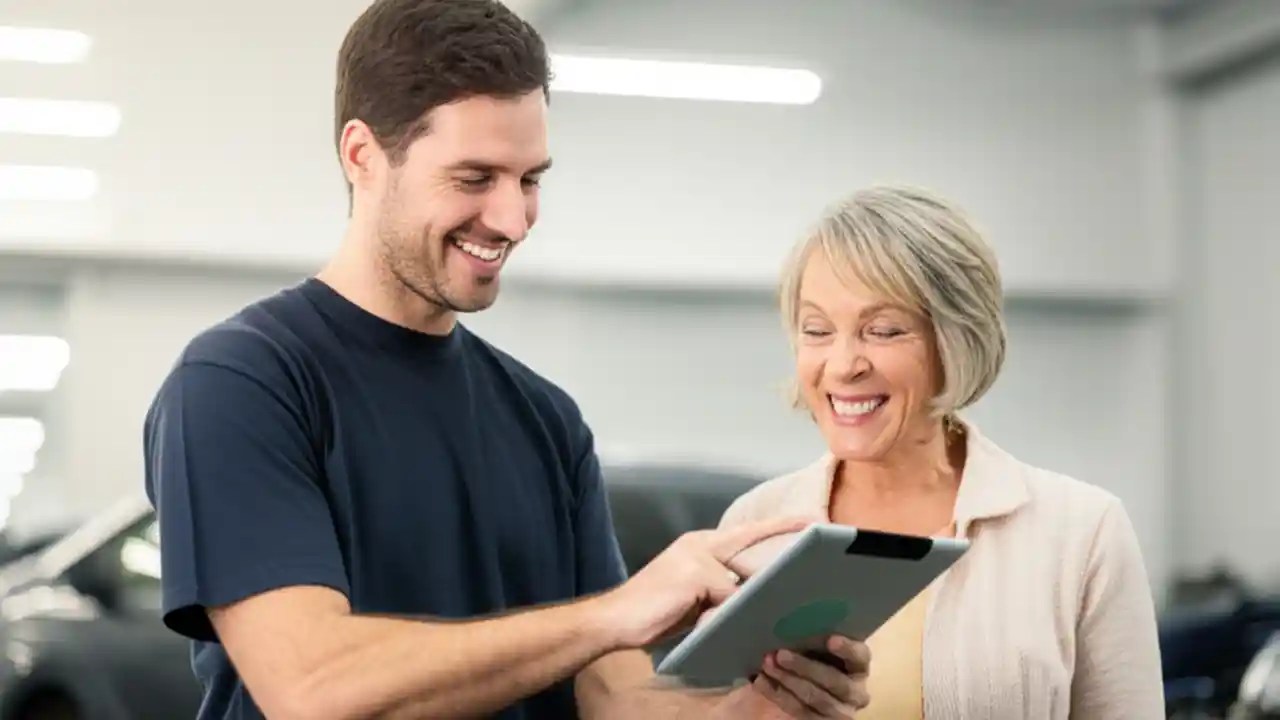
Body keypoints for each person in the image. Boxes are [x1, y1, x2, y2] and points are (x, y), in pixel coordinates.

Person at [141, 0, 872, 718]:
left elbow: (614, 697)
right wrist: (612, 614)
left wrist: (752, 709)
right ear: (362, 156)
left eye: (530, 180)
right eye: (474, 178)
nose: (513, 220)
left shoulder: (546, 420)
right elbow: (313, 688)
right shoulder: (243, 383)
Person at [718, 186, 1165, 719]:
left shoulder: (1082, 532)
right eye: (817, 330)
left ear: (955, 340)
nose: (843, 364)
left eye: (882, 330)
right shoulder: (753, 527)